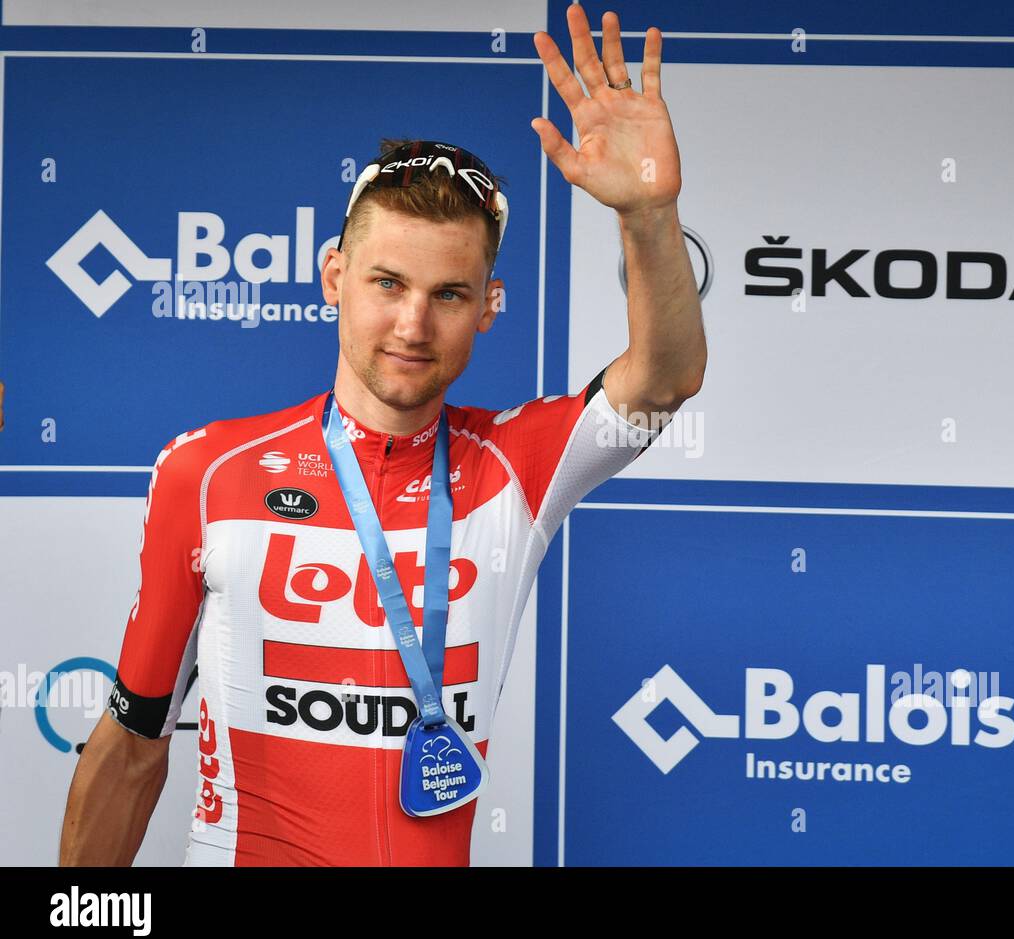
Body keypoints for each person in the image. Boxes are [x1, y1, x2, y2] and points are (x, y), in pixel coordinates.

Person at [59, 7, 705, 866]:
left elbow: (664, 380)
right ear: (334, 276)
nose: (411, 322)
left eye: (447, 294)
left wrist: (650, 216)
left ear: (488, 307)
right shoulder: (208, 472)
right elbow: (133, 746)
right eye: (387, 282)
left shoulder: (517, 464)